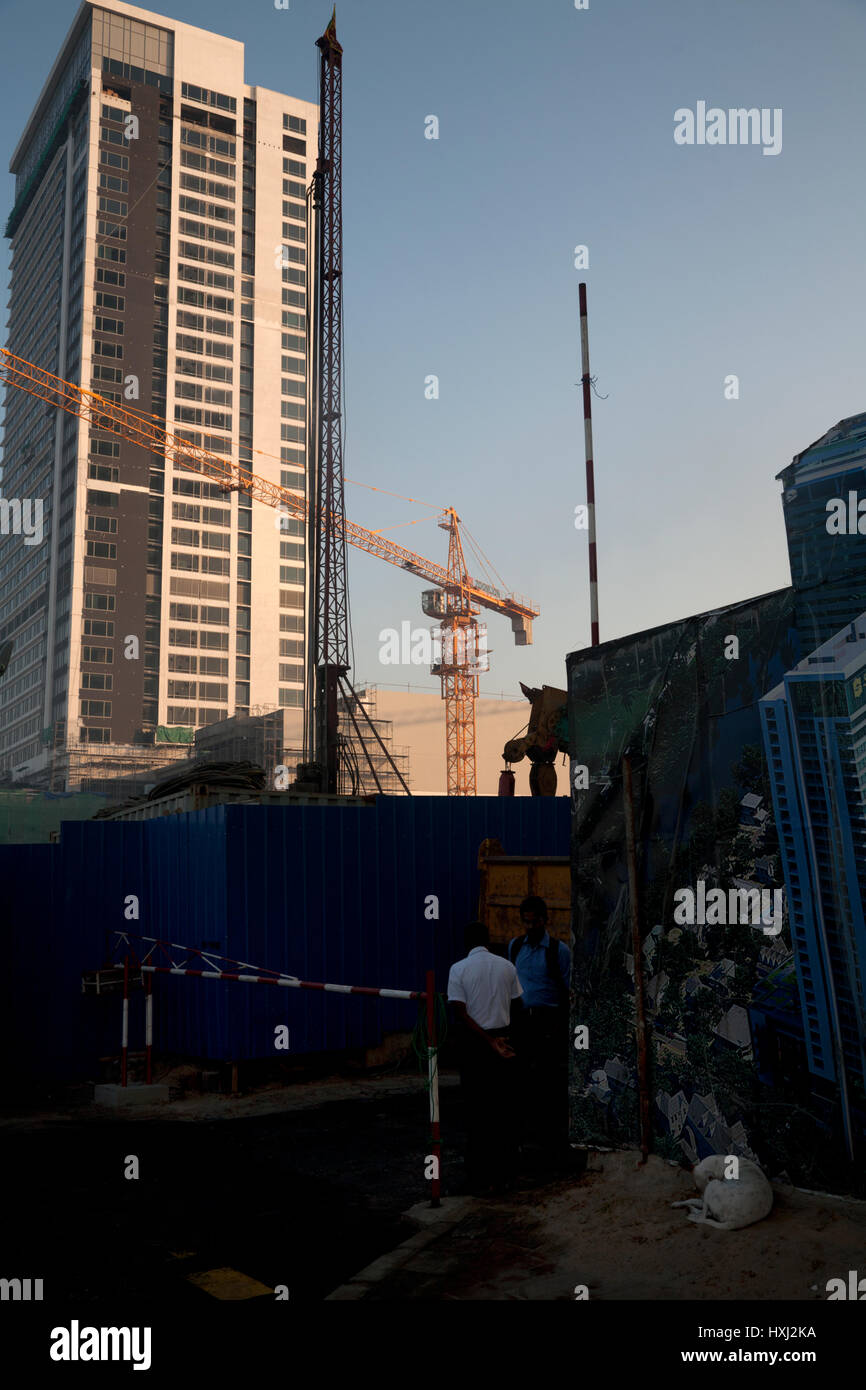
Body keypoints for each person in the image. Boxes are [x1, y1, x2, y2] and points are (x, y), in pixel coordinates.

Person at [447, 921, 523, 1194]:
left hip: (476, 1046)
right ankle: (506, 1174)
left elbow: (460, 1013)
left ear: (467, 943)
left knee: (477, 1112)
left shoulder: (458, 969)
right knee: (503, 1110)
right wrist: (502, 1039)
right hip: (503, 1041)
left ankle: (480, 1178)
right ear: (488, 940)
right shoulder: (507, 966)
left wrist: (488, 1041)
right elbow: (518, 1006)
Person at [508, 896, 571, 1159]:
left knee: (550, 1081)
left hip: (549, 1022)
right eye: (526, 922)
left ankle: (553, 1142)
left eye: (535, 922)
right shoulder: (515, 947)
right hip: (523, 1022)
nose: (530, 926)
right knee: (521, 1080)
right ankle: (524, 1138)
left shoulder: (559, 951)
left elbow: (569, 990)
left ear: (546, 921)